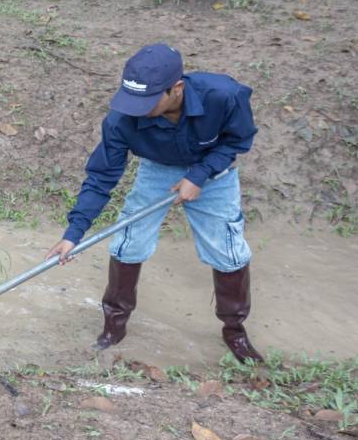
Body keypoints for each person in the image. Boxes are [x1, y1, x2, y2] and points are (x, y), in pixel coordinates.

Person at [47, 44, 264, 364]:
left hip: (214, 171)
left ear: (176, 89)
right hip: (157, 169)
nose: (135, 109)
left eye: (145, 101)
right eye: (131, 100)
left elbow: (238, 141)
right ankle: (114, 325)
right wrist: (73, 233)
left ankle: (234, 331)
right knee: (128, 242)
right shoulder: (122, 119)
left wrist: (200, 175)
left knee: (227, 250)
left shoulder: (223, 96)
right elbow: (101, 176)